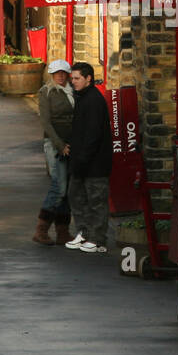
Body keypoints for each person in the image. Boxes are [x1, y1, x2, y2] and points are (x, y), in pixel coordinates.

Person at [64, 61, 112, 254]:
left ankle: (97, 239)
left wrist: (83, 158)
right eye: (72, 78)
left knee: (96, 200)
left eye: (77, 78)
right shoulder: (83, 97)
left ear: (88, 78)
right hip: (80, 160)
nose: (73, 82)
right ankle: (83, 233)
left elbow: (93, 135)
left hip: (95, 163)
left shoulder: (93, 100)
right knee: (76, 197)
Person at [34, 59, 75, 246]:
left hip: (72, 144)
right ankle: (41, 230)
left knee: (66, 189)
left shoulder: (74, 90)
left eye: (63, 72)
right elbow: (46, 123)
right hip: (54, 144)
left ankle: (63, 231)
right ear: (51, 74)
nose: (60, 75)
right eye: (56, 72)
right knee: (59, 186)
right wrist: (60, 145)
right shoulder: (46, 92)